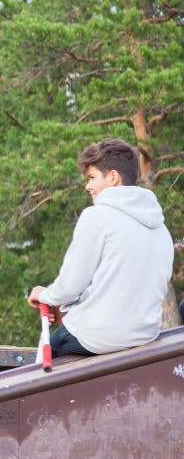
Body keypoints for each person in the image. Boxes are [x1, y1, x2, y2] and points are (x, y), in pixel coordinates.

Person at [27, 138, 174, 357]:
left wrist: (46, 296)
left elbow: (70, 284)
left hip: (99, 338)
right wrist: (67, 311)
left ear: (113, 177)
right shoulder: (160, 227)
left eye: (93, 177)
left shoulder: (97, 217)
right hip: (144, 335)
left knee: (39, 366)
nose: (88, 186)